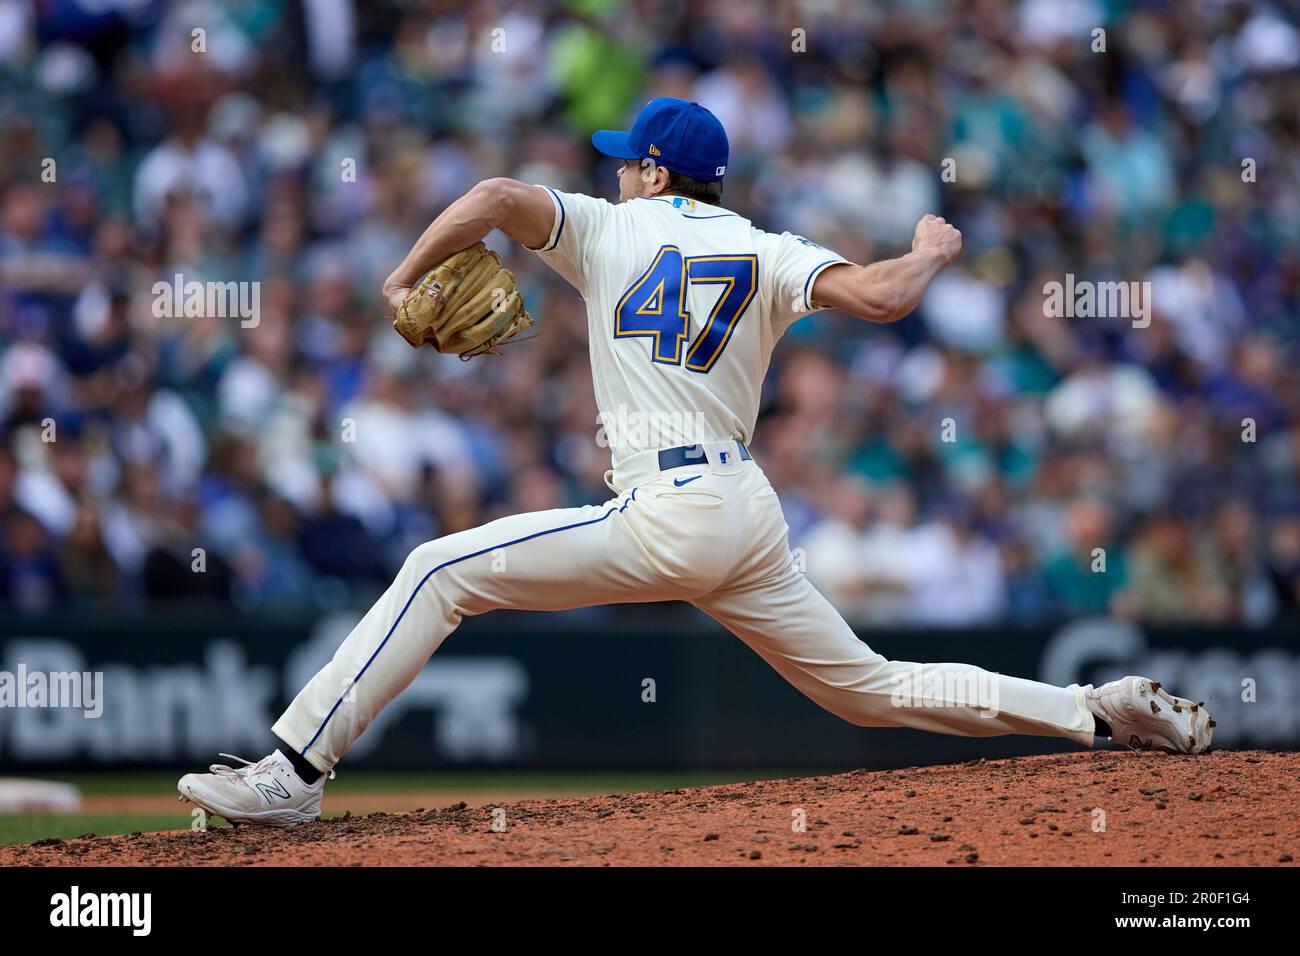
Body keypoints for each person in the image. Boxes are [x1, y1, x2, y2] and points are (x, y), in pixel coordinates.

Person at [177, 99, 1213, 826]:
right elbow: (887, 298)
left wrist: (404, 278)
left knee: (438, 570)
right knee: (868, 686)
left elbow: (493, 191)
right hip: (742, 512)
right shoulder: (765, 245)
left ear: (654, 173)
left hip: (666, 507)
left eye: (627, 157)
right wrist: (934, 251)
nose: (616, 167)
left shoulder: (605, 227)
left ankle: (293, 767)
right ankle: (1087, 707)